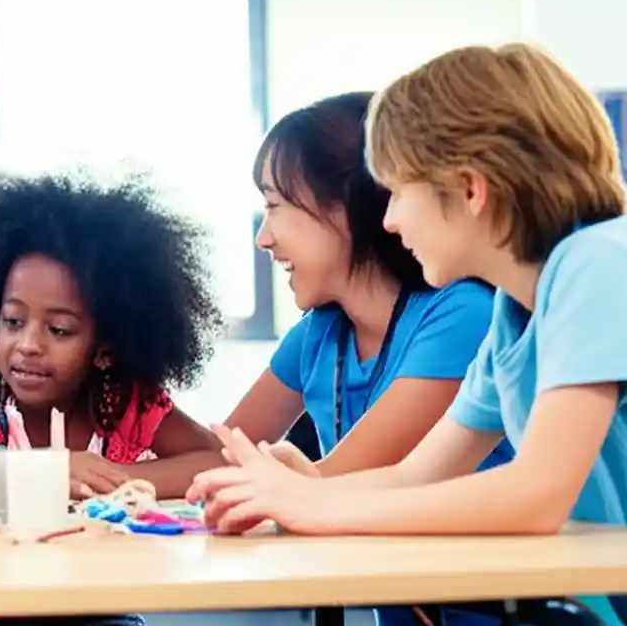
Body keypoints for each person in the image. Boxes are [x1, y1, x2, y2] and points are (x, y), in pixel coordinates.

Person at [191, 44, 627, 625]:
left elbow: (537, 495)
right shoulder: (514, 314)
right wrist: (309, 489)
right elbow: (414, 475)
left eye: (398, 191)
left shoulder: (598, 263)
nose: (389, 219)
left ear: (470, 190)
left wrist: (315, 509)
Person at [0, 171, 225, 508]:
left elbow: (214, 462)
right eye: (13, 321)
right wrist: (37, 474)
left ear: (105, 349)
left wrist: (105, 480)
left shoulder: (127, 403)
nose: (28, 344)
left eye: (59, 330)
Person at [224, 92, 512, 480]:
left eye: (274, 205)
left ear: (347, 205)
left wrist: (296, 482)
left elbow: (351, 479)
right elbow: (226, 453)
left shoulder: (464, 314)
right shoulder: (321, 330)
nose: (263, 238)